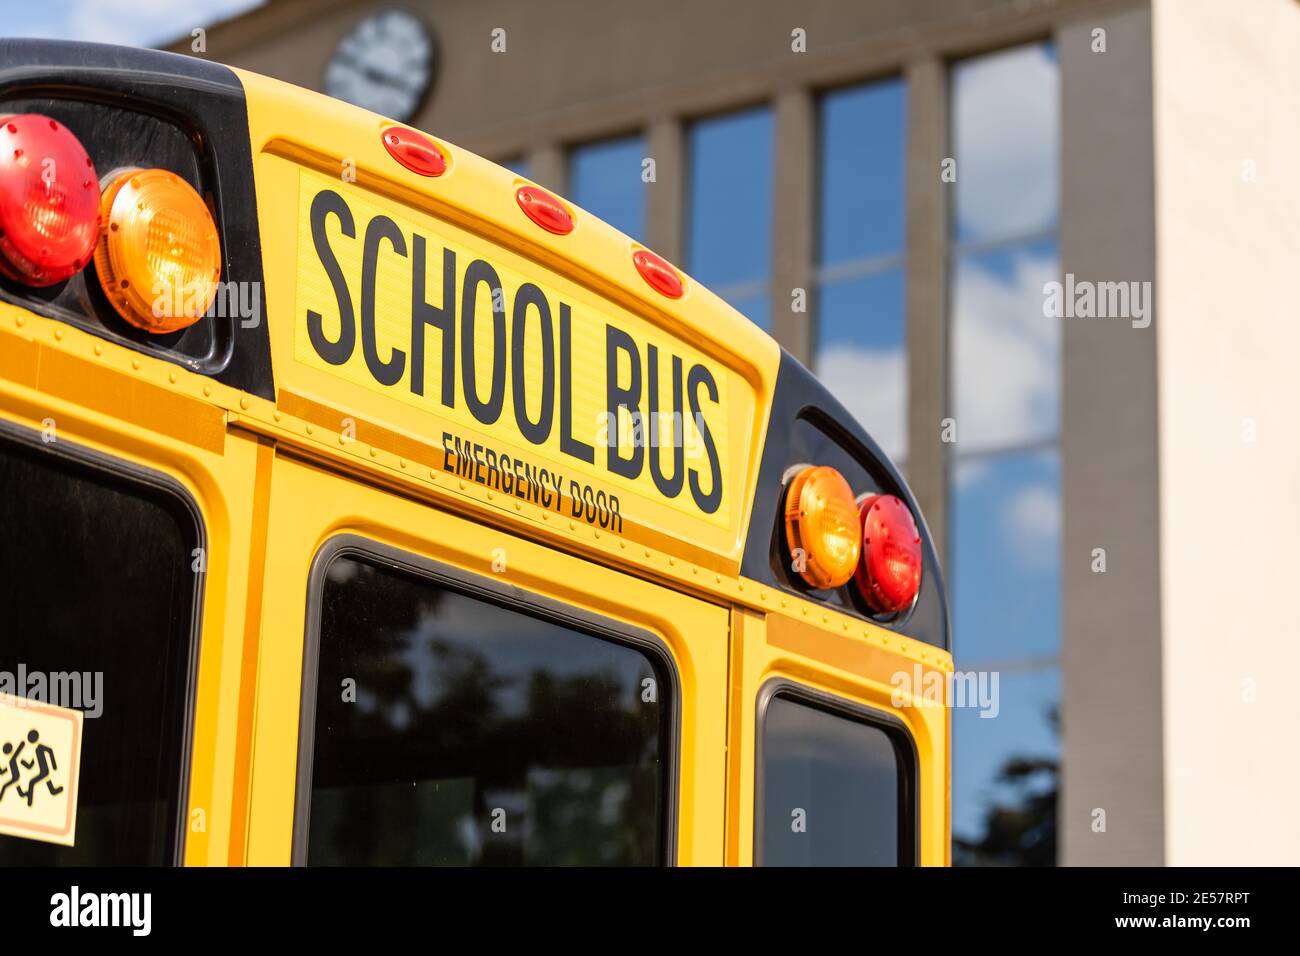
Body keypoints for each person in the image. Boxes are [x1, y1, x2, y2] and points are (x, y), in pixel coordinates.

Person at [18, 729, 61, 807]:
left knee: (31, 782)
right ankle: (53, 790)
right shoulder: (36, 750)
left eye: (31, 737)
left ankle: (29, 801)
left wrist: (54, 765)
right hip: (43, 771)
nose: (30, 739)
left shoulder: (40, 747)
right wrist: (25, 763)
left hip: (44, 771)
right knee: (46, 780)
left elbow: (50, 751)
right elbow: (31, 764)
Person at [0, 739, 24, 803]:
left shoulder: (12, 759)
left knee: (4, 786)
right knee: (20, 792)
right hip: (15, 776)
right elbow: (4, 771)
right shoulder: (10, 760)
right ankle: (25, 794)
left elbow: (17, 752)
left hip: (15, 776)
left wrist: (21, 745)